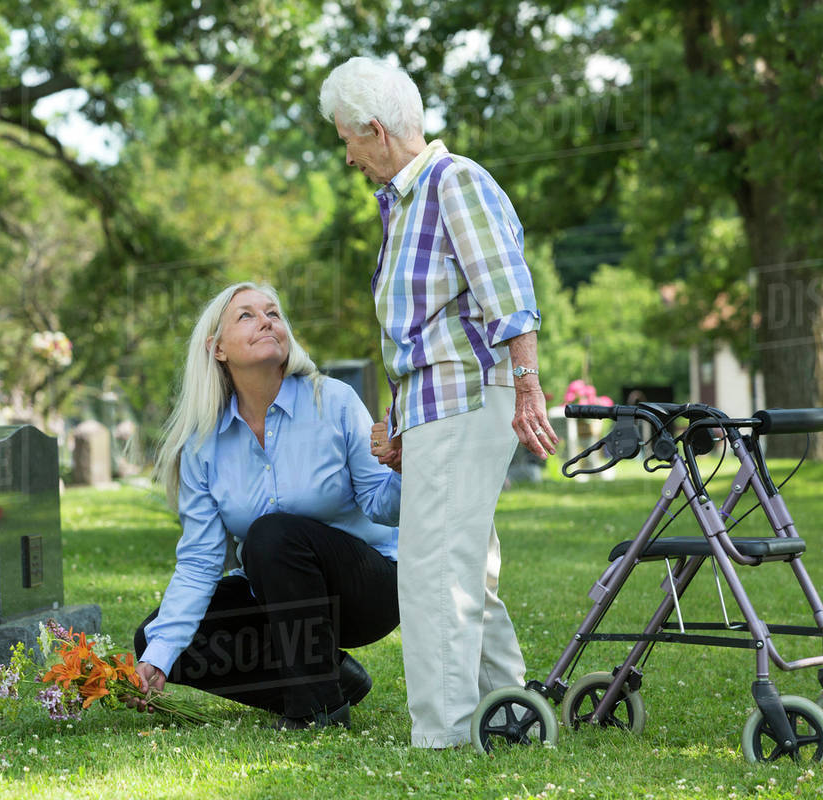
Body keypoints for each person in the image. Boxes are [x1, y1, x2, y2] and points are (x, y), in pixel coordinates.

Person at [318, 56, 559, 748]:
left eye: (347, 139)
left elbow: (507, 292)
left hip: (465, 398)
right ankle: (508, 713)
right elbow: (422, 330)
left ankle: (445, 732)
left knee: (433, 572)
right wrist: (400, 422)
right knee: (465, 568)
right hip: (435, 403)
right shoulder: (404, 201)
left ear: (375, 129)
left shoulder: (454, 182)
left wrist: (528, 385)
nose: (347, 156)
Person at [132, 282, 401, 729]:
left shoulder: (333, 401)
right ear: (217, 349)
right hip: (277, 598)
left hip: (368, 588)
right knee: (156, 639)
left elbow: (382, 506)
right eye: (247, 315)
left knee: (271, 534)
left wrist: (402, 469)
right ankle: (333, 677)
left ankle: (317, 709)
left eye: (273, 313)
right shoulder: (203, 444)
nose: (266, 321)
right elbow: (201, 561)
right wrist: (159, 656)